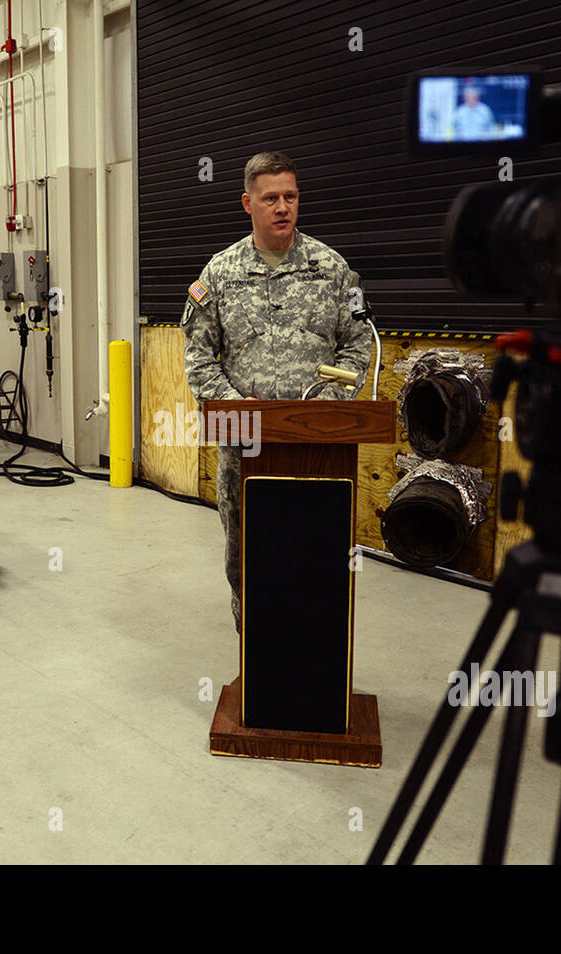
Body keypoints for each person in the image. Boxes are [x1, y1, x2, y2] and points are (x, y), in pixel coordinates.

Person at [182, 152, 373, 633]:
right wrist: (237, 407)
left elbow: (357, 345)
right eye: (270, 198)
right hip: (244, 446)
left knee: (316, 553)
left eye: (290, 196)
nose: (282, 207)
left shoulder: (331, 268)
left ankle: (315, 657)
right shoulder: (220, 273)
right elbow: (199, 360)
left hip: (318, 446)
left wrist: (331, 404)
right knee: (246, 554)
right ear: (248, 203)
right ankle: (256, 655)